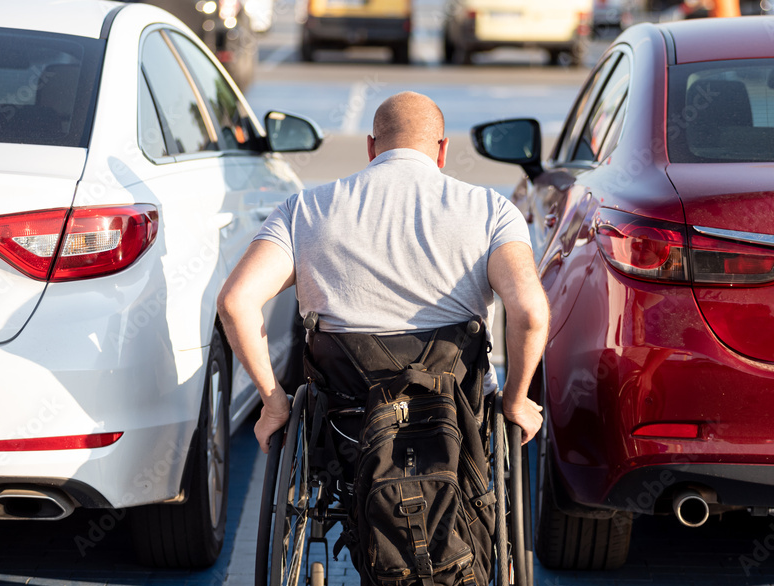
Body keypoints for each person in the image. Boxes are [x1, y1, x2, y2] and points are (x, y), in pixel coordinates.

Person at [218, 91, 549, 451]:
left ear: (371, 148)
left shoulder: (302, 210)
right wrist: (516, 400)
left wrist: (273, 404)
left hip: (344, 421)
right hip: (457, 415)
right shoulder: (493, 211)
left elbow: (236, 302)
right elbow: (530, 313)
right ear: (443, 150)